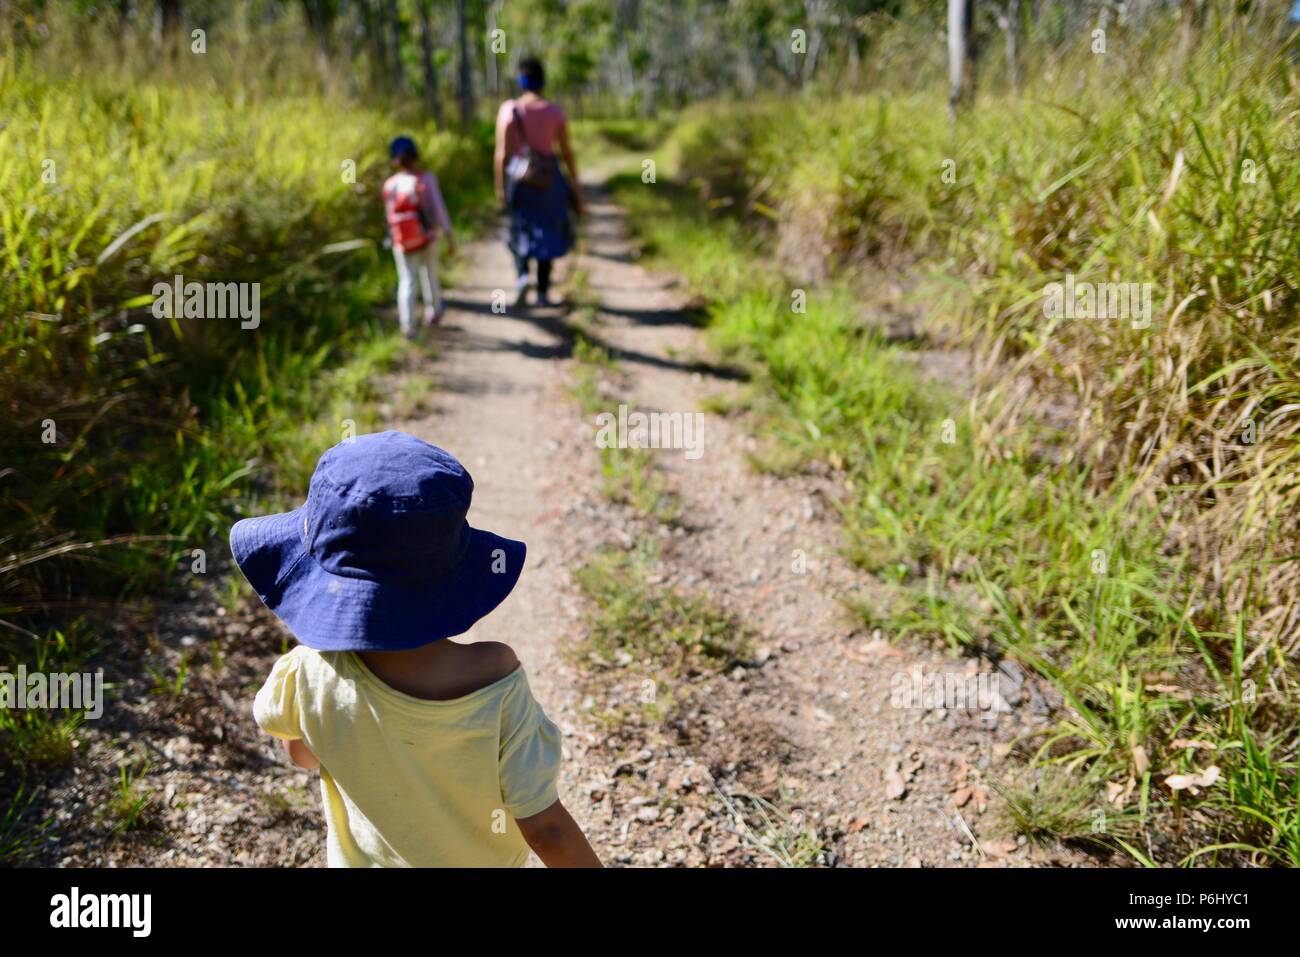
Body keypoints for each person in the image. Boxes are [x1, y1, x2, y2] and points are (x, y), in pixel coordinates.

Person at [234, 431, 601, 868]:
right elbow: (546, 827)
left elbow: (301, 753)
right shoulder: (495, 679)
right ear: (452, 575)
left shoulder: (305, 672)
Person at [494, 56, 585, 309]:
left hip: (520, 180)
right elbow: (567, 153)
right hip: (549, 182)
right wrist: (577, 189)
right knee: (547, 231)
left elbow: (502, 154)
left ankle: (523, 275)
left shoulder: (509, 110)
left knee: (519, 227)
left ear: (521, 80)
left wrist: (500, 188)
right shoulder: (554, 112)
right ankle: (543, 293)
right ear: (543, 80)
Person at [383, 136, 455, 338]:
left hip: (401, 242)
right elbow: (439, 209)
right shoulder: (426, 178)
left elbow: (389, 217)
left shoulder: (390, 185)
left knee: (407, 280)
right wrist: (449, 236)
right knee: (430, 275)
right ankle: (434, 312)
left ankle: (408, 325)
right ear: (415, 156)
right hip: (428, 238)